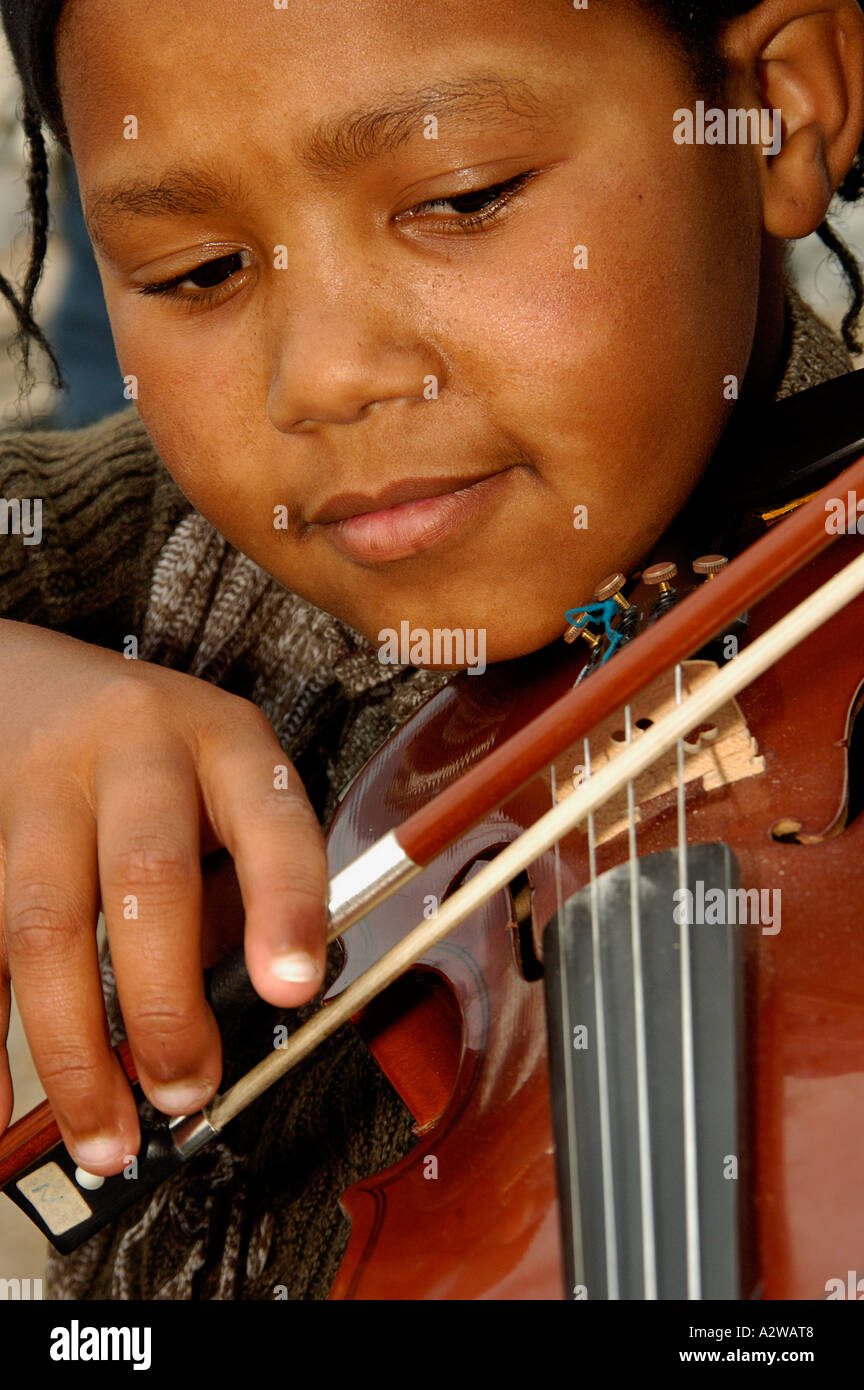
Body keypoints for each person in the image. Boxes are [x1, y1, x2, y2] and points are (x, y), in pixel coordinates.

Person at [0, 0, 862, 1299]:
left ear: (776, 110)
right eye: (197, 270)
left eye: (461, 196)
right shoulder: (177, 569)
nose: (328, 376)